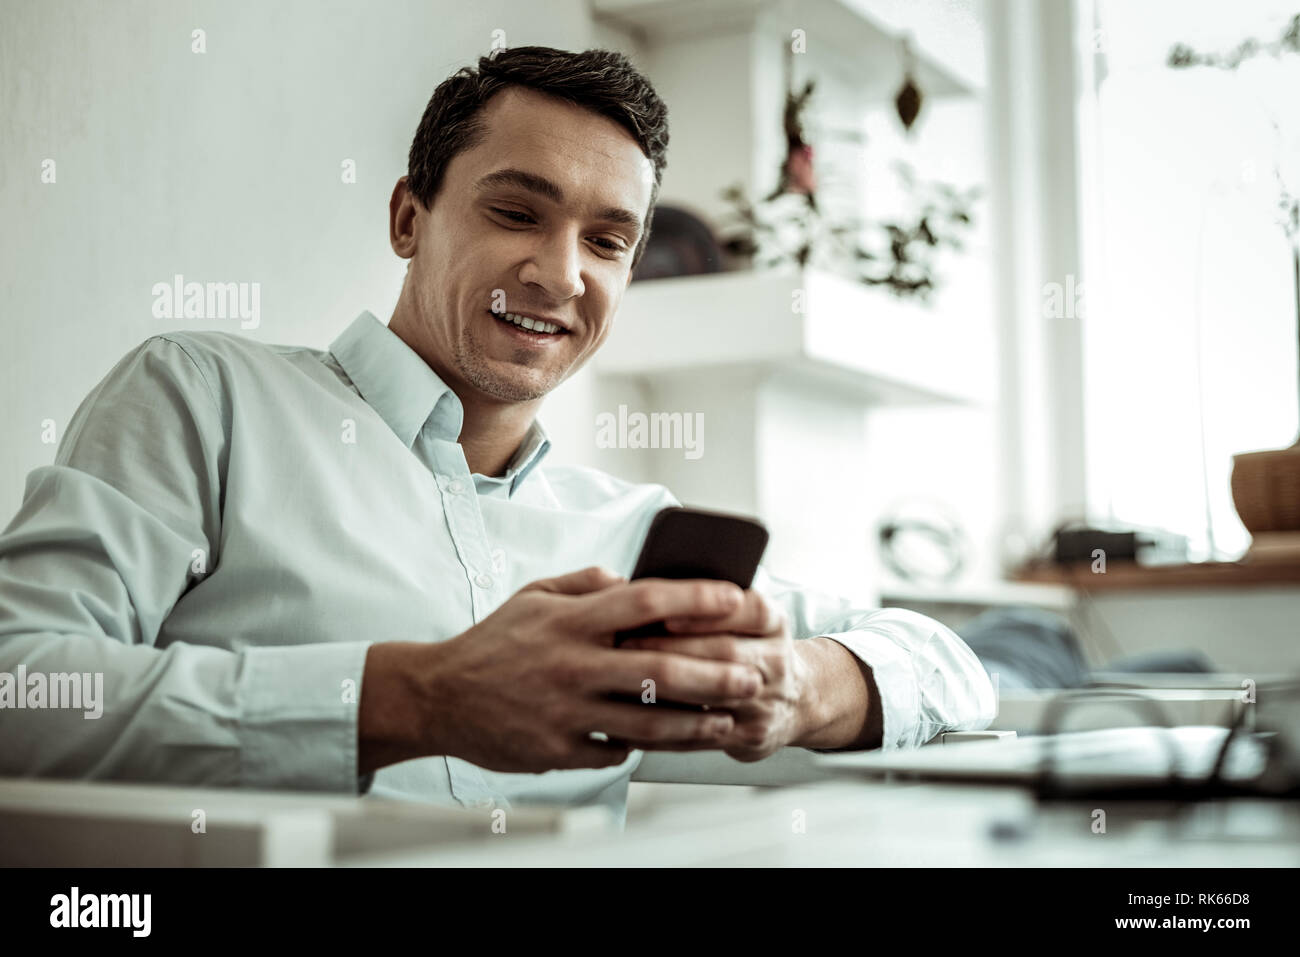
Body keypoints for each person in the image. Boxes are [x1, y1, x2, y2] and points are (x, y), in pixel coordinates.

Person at [0, 46, 995, 823]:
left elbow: (947, 663)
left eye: (608, 241)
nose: (561, 274)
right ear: (407, 217)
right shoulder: (202, 398)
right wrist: (417, 696)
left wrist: (797, 687)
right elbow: (24, 688)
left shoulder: (634, 533)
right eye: (517, 212)